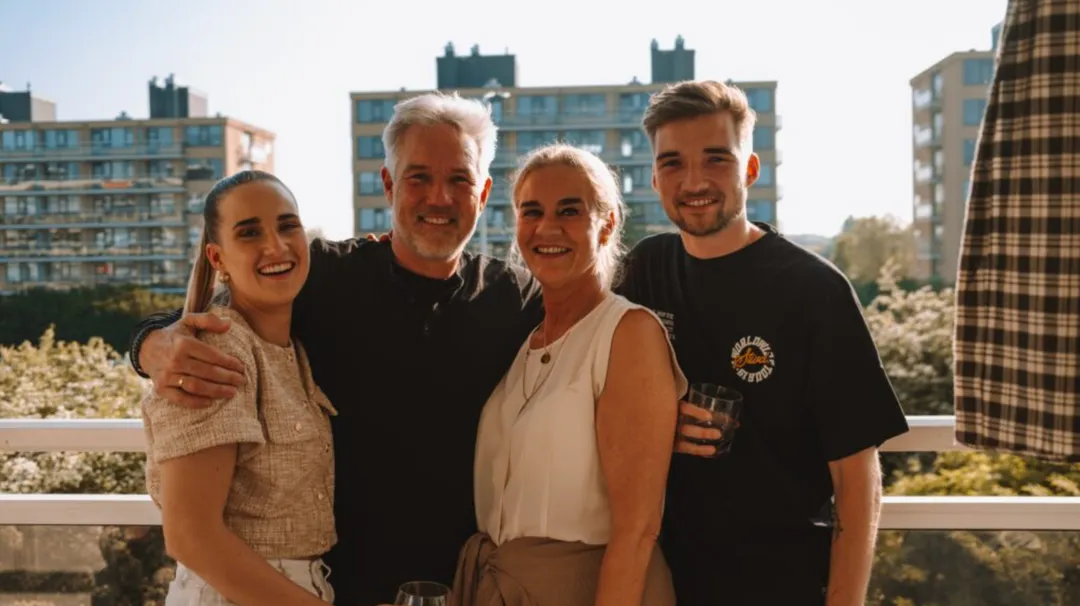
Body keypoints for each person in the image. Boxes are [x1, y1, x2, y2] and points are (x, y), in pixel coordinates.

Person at [128, 93, 544, 605]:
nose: (439, 197)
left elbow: (599, 320)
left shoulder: (517, 297)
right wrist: (149, 344)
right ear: (389, 185)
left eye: (459, 179)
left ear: (482, 193)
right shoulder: (318, 275)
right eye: (418, 177)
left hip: (457, 585)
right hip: (322, 585)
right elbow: (211, 313)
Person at [616, 80, 911, 605]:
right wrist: (657, 421)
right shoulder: (645, 269)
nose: (694, 181)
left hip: (782, 583)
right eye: (673, 163)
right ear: (655, 177)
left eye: (716, 160)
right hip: (660, 581)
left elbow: (857, 477)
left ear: (750, 169)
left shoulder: (814, 290)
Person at [451, 144, 684, 605]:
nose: (547, 228)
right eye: (531, 211)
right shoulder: (525, 341)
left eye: (569, 211)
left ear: (608, 223)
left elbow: (638, 531)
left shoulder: (628, 333)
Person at [141, 170, 337, 605]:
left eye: (288, 225)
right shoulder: (216, 348)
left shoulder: (289, 349)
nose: (276, 245)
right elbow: (191, 537)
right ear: (218, 258)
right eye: (249, 233)